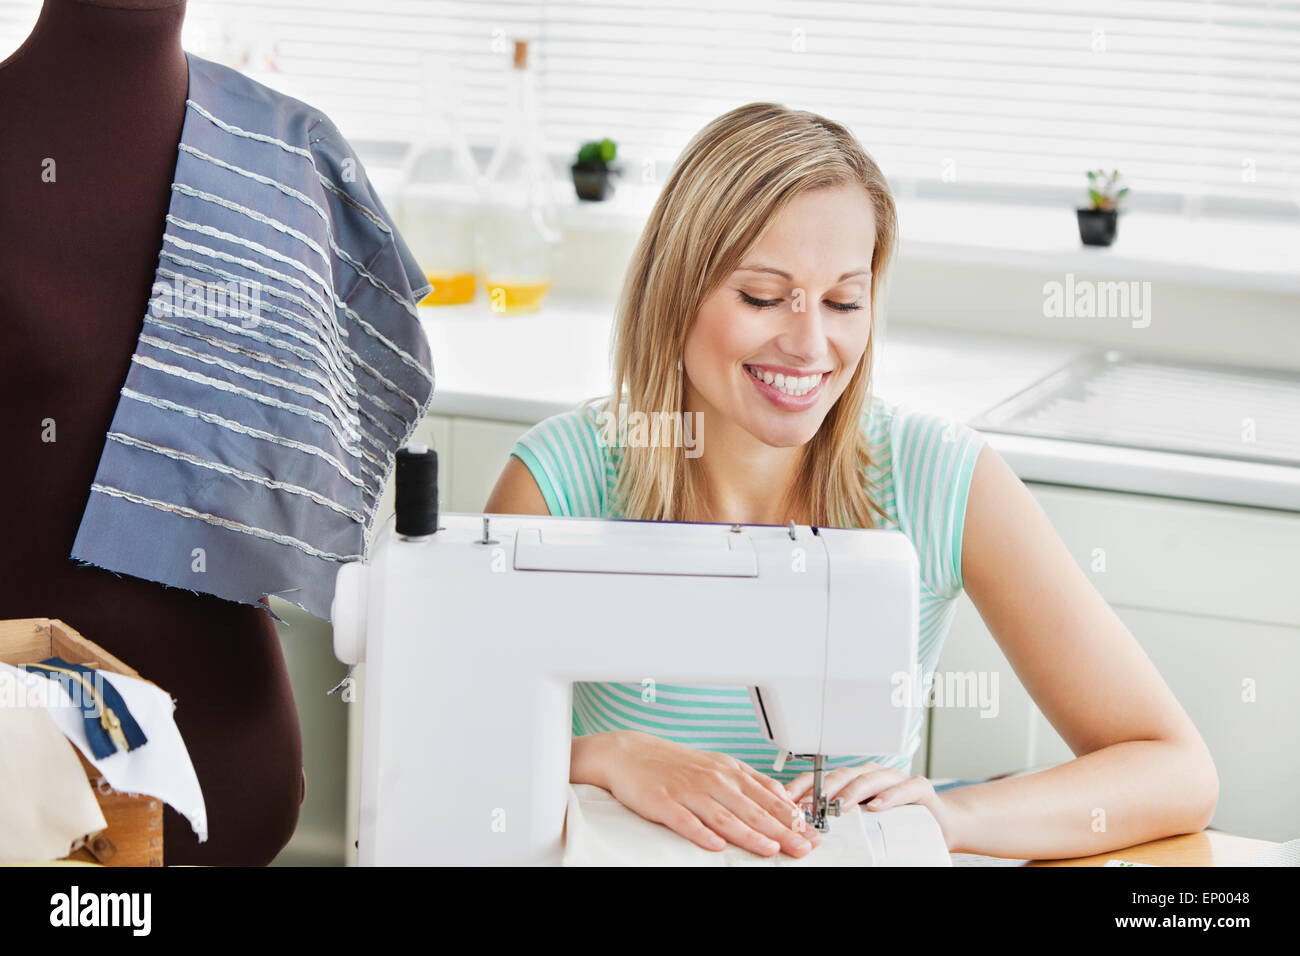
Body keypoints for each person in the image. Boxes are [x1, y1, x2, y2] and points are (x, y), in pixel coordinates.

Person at [485, 102, 1217, 861]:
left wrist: (952, 815)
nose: (809, 345)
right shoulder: (562, 482)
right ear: (676, 293)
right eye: (762, 297)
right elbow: (454, 738)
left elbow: (1174, 769)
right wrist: (606, 757)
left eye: (843, 301)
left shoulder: (937, 478)